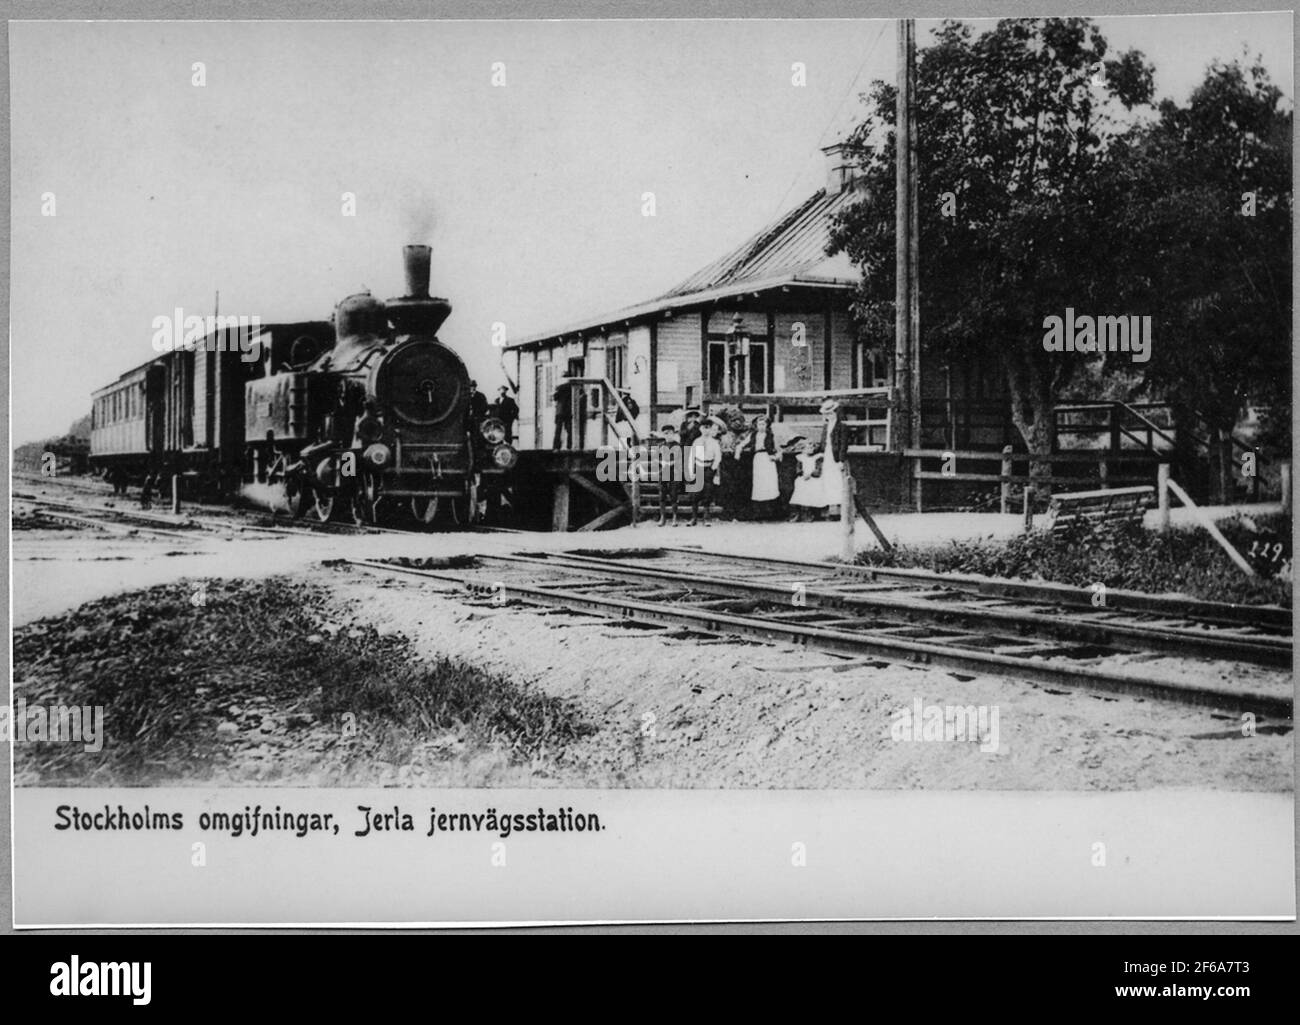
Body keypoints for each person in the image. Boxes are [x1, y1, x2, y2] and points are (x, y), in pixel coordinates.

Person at [736, 414, 784, 520]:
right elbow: (742, 444)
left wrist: (775, 457)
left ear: (767, 425)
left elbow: (779, 450)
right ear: (756, 425)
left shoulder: (771, 435)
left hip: (768, 460)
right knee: (759, 484)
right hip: (758, 459)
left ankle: (771, 513)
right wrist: (738, 452)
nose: (761, 426)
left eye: (763, 424)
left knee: (770, 484)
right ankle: (759, 513)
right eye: (759, 424)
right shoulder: (753, 435)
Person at [687, 415, 725, 526]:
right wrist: (691, 471)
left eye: (708, 427)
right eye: (703, 427)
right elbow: (691, 457)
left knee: (707, 493)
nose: (705, 430)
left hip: (708, 468)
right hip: (698, 467)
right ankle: (693, 518)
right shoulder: (696, 442)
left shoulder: (714, 442)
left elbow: (718, 457)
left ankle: (706, 518)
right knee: (695, 494)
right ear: (700, 429)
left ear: (710, 429)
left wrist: (712, 469)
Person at [818, 399, 847, 519]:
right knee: (828, 480)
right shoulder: (825, 426)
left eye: (830, 413)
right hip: (827, 455)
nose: (828, 416)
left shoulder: (842, 427)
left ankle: (841, 511)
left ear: (836, 413)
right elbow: (822, 443)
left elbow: (843, 445)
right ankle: (831, 509)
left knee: (837, 481)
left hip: (836, 457)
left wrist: (841, 460)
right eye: (826, 414)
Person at [788, 438, 825, 522]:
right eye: (808, 448)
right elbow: (798, 470)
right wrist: (802, 474)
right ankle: (796, 514)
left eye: (812, 448)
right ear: (803, 449)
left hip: (813, 478)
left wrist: (811, 474)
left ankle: (808, 513)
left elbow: (818, 470)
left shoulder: (817, 458)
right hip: (803, 477)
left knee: (812, 486)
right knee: (800, 485)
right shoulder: (800, 458)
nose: (810, 449)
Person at [654, 423, 684, 526]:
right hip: (663, 472)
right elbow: (656, 458)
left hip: (674, 472)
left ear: (674, 434)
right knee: (662, 495)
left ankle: (674, 517)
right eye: (666, 433)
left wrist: (671, 463)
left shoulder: (677, 446)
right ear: (663, 434)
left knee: (674, 495)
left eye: (670, 433)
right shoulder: (661, 446)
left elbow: (679, 459)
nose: (668, 435)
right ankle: (663, 517)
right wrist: (661, 463)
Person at [552, 373, 573, 450]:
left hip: (560, 411)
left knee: (558, 430)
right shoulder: (572, 387)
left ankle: (556, 446)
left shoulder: (560, 387)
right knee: (569, 430)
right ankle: (569, 445)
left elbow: (555, 397)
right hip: (569, 410)